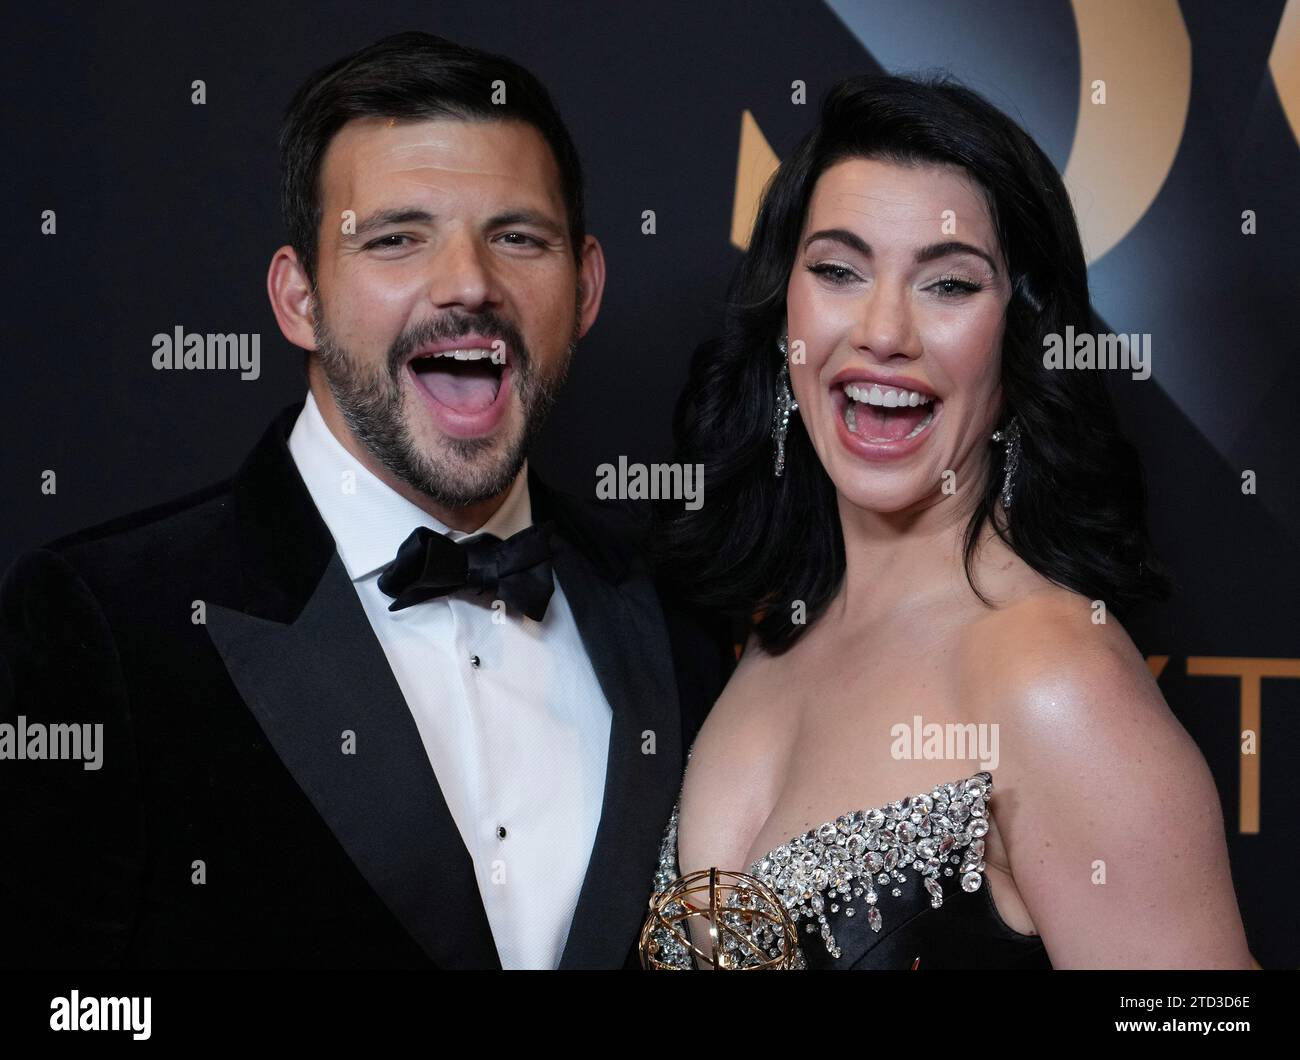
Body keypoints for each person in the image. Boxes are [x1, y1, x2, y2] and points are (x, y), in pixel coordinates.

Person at [0, 31, 732, 970]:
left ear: (585, 286)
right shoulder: (104, 622)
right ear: (298, 296)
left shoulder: (676, 616)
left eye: (517, 237)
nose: (468, 284)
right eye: (395, 239)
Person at [645, 74, 1256, 969]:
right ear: (787, 320)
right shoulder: (773, 637)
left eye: (949, 285)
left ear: (1019, 339)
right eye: (838, 271)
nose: (884, 330)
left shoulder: (1053, 680)